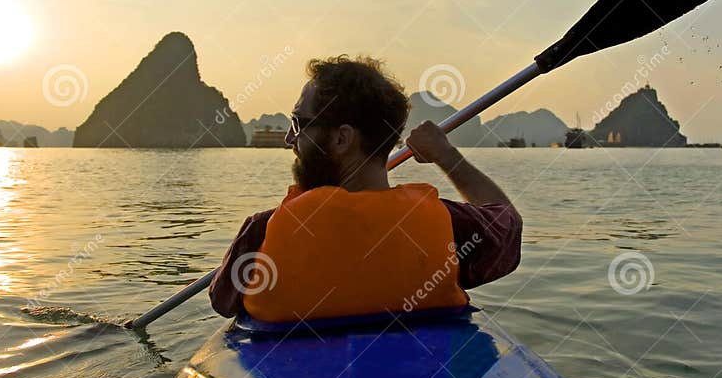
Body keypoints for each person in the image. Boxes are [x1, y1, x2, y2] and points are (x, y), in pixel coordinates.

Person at [209, 55, 522, 323]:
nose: (289, 139)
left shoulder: (261, 234)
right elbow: (508, 224)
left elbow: (223, 303)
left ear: (342, 139)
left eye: (298, 123)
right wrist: (447, 156)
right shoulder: (448, 227)